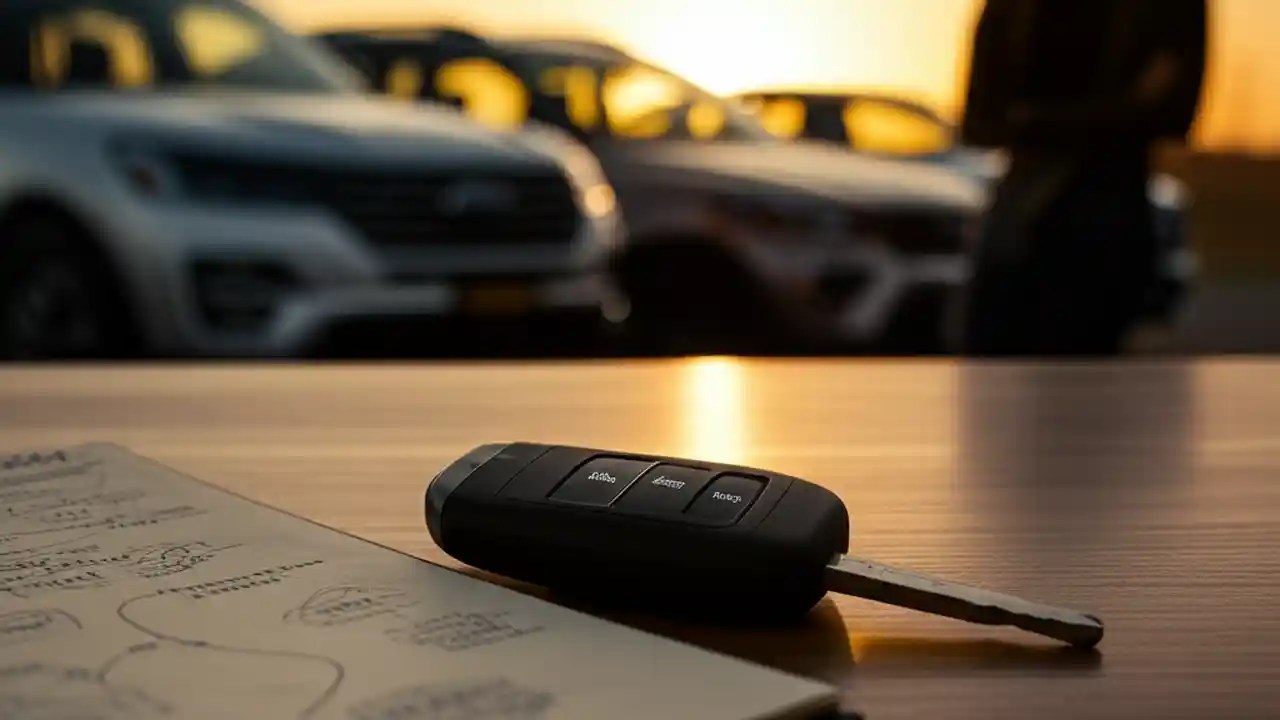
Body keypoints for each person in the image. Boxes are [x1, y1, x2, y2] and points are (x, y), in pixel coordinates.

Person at [960, 0, 1207, 356]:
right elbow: (980, 118)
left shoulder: (1165, 10)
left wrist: (1035, 122)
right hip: (1025, 217)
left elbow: (1171, 110)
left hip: (1099, 217)